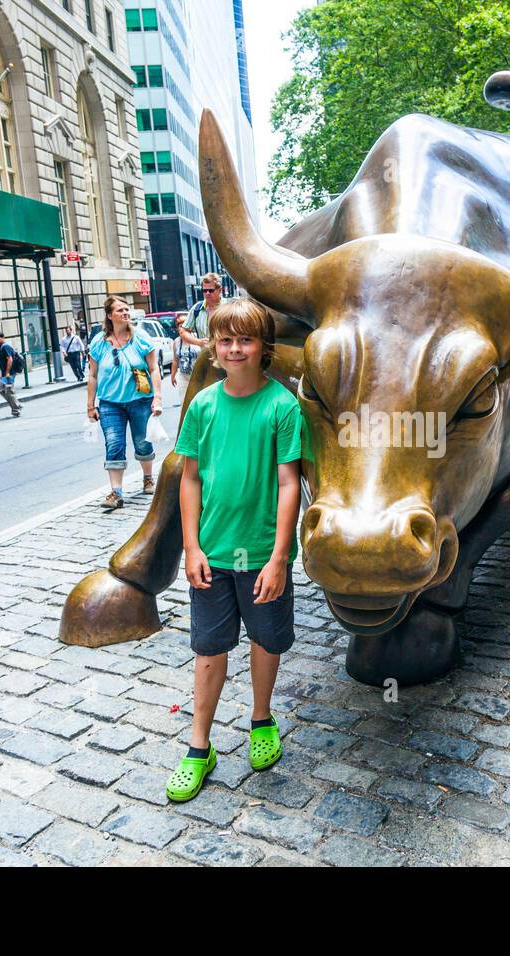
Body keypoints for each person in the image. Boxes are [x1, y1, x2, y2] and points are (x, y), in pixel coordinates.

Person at [166, 298, 303, 803]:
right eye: (225, 340)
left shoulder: (282, 407)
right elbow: (191, 479)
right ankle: (199, 747)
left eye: (245, 339)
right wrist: (191, 545)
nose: (234, 348)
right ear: (214, 346)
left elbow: (290, 484)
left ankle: (261, 719)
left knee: (266, 641)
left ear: (263, 348)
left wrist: (278, 557)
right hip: (213, 556)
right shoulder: (202, 405)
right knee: (208, 647)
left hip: (262, 554)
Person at [87, 296, 162, 509]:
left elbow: (154, 369)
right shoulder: (99, 342)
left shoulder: (141, 338)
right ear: (110, 316)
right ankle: (116, 492)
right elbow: (92, 375)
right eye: (120, 310)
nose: (125, 313)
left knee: (142, 442)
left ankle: (148, 477)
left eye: (127, 309)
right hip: (110, 404)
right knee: (114, 444)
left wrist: (157, 398)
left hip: (140, 401)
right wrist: (90, 405)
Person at [173, 272, 221, 403]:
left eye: (211, 290)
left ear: (219, 290)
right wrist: (198, 341)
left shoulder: (229, 307)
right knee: (202, 397)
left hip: (227, 358)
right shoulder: (197, 309)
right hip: (205, 358)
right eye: (204, 291)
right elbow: (183, 331)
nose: (207, 294)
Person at [0, 331, 23, 417]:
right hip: (6, 373)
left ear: (3, 337)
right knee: (2, 390)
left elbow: (10, 359)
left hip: (9, 373)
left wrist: (7, 373)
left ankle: (16, 410)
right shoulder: (2, 347)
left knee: (9, 390)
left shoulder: (5, 347)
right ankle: (17, 405)